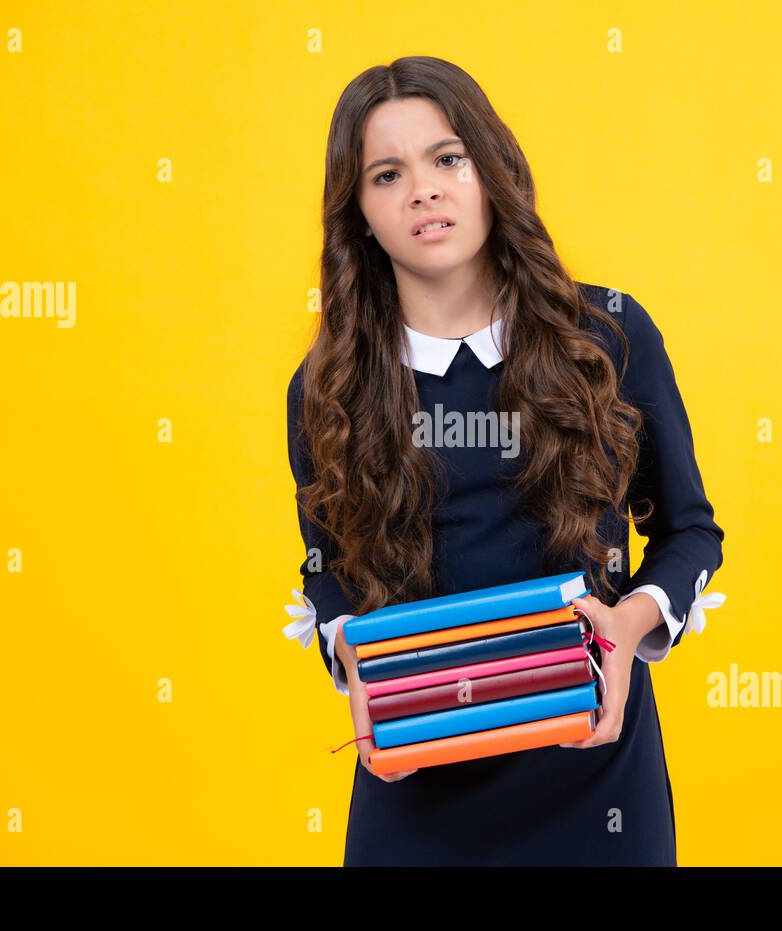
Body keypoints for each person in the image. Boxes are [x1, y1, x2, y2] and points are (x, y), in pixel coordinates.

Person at [283, 55, 725, 865]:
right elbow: (328, 571)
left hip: (597, 784)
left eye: (447, 159)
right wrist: (348, 649)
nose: (423, 190)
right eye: (387, 174)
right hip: (416, 787)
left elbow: (691, 532)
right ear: (361, 216)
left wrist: (628, 627)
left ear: (491, 170)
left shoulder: (611, 336)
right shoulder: (325, 388)